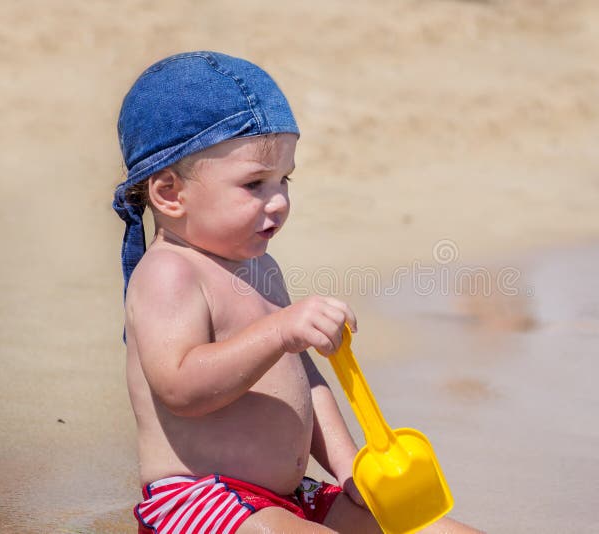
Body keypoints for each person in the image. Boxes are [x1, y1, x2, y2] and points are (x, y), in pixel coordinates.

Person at [113, 51, 479, 534]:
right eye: (254, 184)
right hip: (198, 499)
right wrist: (280, 331)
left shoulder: (259, 266)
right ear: (169, 194)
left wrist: (351, 470)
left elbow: (303, 379)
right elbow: (180, 388)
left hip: (288, 498)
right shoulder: (168, 274)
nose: (280, 200)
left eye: (284, 179)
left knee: (433, 530)